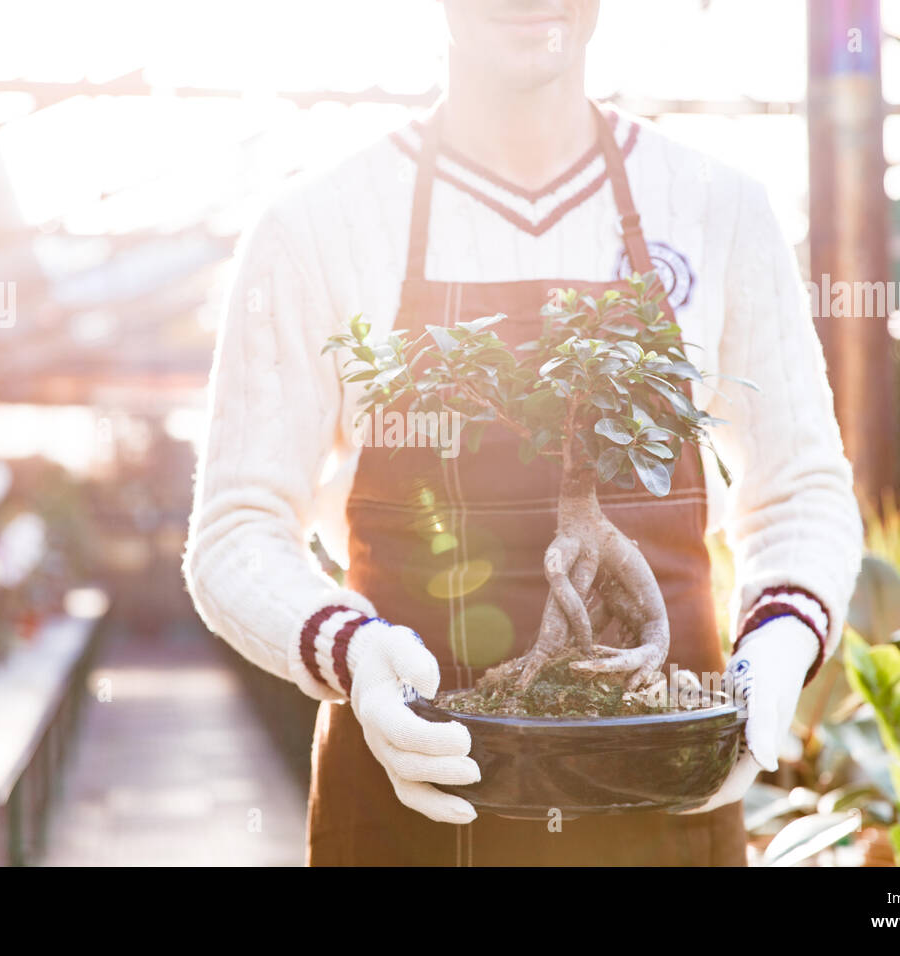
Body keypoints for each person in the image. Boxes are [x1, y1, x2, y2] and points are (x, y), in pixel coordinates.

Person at [186, 0, 862, 866]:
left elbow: (801, 486)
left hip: (664, 785)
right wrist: (355, 653)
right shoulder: (318, 224)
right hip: (410, 795)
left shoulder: (718, 208)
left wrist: (776, 643)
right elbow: (236, 530)